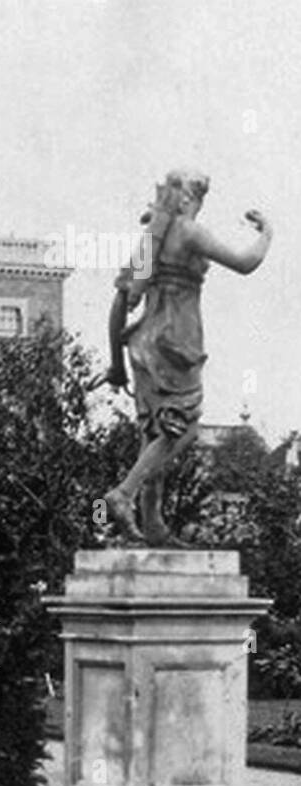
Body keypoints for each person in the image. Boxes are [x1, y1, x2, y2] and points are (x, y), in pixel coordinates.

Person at [102, 169, 272, 544]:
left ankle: (153, 523)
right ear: (186, 199)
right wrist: (266, 233)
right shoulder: (188, 231)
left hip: (142, 342)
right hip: (175, 342)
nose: (197, 206)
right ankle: (123, 494)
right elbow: (245, 262)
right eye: (198, 199)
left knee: (156, 432)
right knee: (183, 426)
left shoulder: (152, 239)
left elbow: (120, 301)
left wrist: (116, 363)